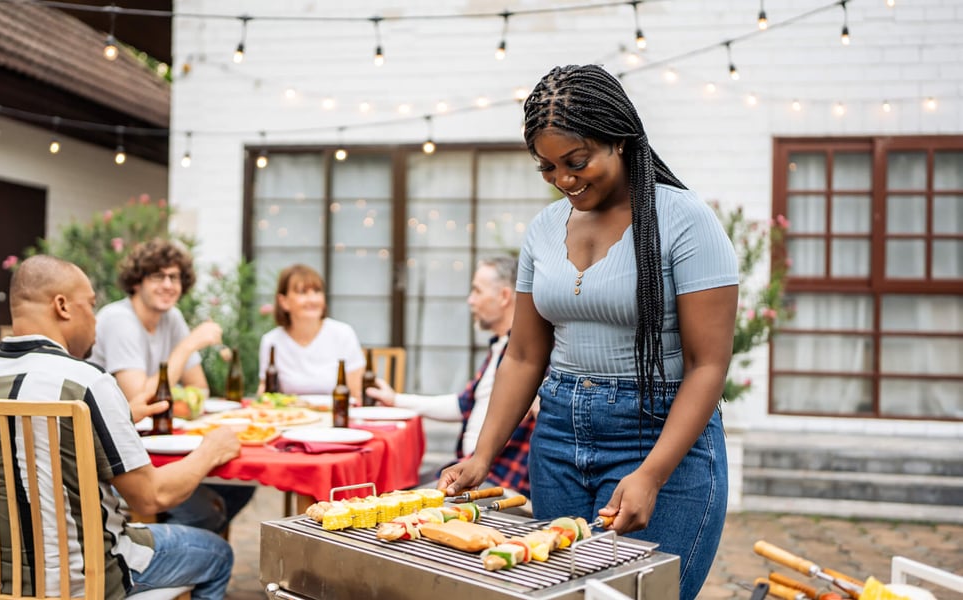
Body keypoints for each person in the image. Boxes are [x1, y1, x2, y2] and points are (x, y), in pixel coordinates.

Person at [438, 64, 738, 600]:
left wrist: (651, 475)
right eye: (548, 167)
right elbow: (524, 355)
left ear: (620, 140)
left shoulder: (685, 220)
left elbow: (707, 365)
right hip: (557, 442)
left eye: (577, 162)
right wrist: (483, 454)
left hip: (658, 436)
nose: (564, 179)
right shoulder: (544, 230)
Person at [0, 255, 238, 600]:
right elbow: (152, 496)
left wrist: (120, 416)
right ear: (62, 306)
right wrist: (212, 450)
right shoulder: (86, 382)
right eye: (90, 305)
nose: (95, 321)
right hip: (85, 578)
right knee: (218, 553)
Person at [90, 238, 254, 533]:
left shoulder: (172, 317)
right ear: (137, 282)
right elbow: (140, 399)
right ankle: (177, 539)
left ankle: (194, 532)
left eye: (174, 277)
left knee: (240, 483)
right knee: (206, 508)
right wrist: (188, 345)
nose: (168, 285)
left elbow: (199, 389)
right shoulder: (119, 319)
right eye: (158, 276)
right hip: (119, 460)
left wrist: (180, 386)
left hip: (158, 443)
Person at [365, 256, 535, 498]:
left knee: (394, 503)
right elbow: (463, 404)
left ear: (504, 297)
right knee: (394, 488)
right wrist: (395, 400)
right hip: (468, 466)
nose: (470, 300)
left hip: (496, 481)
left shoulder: (526, 357)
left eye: (477, 291)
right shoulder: (501, 346)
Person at [257, 264, 366, 398]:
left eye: (317, 291)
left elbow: (356, 394)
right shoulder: (271, 341)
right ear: (283, 301)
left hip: (334, 410)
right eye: (302, 292)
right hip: (291, 411)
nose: (313, 299)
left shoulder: (343, 334)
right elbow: (267, 393)